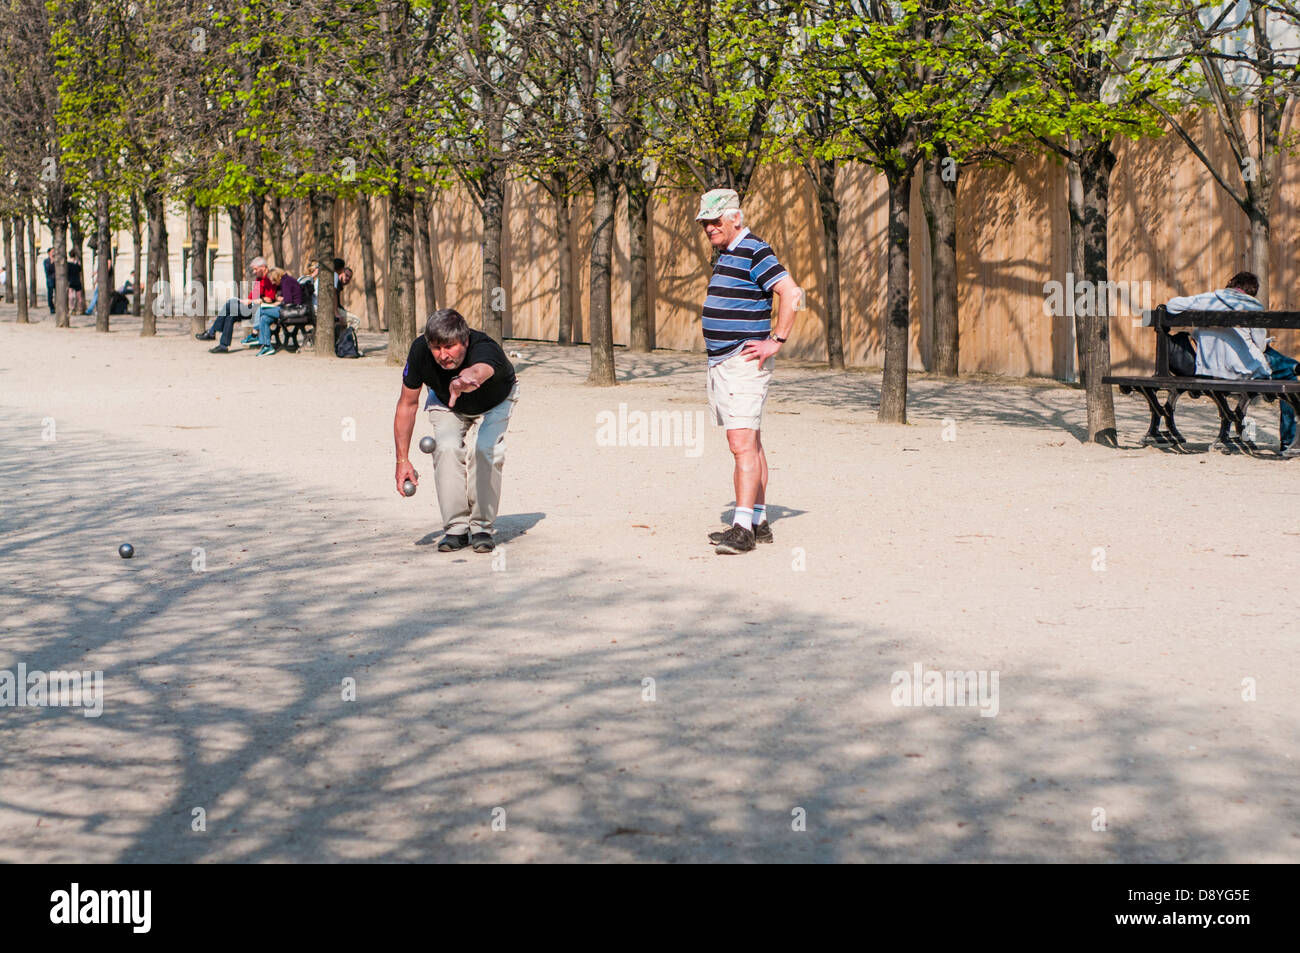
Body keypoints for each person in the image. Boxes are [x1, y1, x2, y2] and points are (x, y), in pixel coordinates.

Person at [695, 188, 802, 555]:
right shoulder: (727, 253)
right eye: (705, 223)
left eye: (715, 221)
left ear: (735, 218)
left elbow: (791, 293)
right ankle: (758, 520)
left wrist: (777, 339)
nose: (709, 228)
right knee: (751, 442)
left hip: (743, 363)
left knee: (740, 445)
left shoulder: (755, 248)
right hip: (724, 362)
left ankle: (741, 530)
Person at [393, 309, 518, 553]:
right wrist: (402, 460)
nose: (442, 355)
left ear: (465, 340)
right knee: (446, 447)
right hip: (446, 401)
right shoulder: (420, 351)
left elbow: (479, 370)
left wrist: (464, 380)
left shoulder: (485, 348)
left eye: (449, 347)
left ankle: (481, 527)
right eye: (436, 347)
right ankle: (457, 528)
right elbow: (407, 405)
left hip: (497, 400)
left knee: (486, 448)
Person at [1166, 270, 1299, 455]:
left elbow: (1172, 305)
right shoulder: (1253, 307)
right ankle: (1289, 443)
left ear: (1231, 284)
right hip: (1243, 371)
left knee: (1273, 361)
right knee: (1289, 379)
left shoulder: (1207, 299)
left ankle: (1291, 364)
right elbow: (1259, 346)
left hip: (1209, 369)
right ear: (1252, 291)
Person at [197, 257, 272, 353]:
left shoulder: (269, 279)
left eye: (255, 269)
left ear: (263, 267)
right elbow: (254, 295)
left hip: (258, 309)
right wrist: (247, 300)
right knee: (230, 315)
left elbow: (269, 299)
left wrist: (251, 302)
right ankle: (223, 346)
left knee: (229, 304)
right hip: (251, 305)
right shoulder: (259, 279)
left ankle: (212, 332)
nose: (254, 272)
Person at [241, 267, 304, 356]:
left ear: (277, 277)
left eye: (273, 280)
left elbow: (288, 300)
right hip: (288, 309)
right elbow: (286, 298)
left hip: (291, 310)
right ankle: (267, 346)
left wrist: (278, 302)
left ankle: (255, 335)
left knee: (261, 310)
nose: (273, 283)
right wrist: (278, 300)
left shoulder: (286, 282)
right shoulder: (286, 281)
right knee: (264, 318)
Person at [43, 248, 55, 313]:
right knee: (50, 294)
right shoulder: (46, 261)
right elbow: (47, 270)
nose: (53, 253)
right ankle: (51, 307)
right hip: (50, 279)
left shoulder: (57, 260)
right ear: (49, 253)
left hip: (56, 279)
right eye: (52, 251)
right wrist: (52, 261)